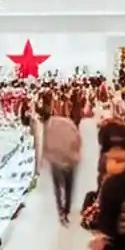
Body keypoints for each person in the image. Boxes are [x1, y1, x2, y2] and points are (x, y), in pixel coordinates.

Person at [44, 93, 82, 225]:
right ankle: (66, 210)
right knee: (69, 186)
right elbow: (78, 141)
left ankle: (61, 210)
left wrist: (48, 155)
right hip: (70, 160)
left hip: (56, 160)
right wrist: (76, 155)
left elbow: (47, 141)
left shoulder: (51, 123)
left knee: (58, 187)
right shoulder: (70, 124)